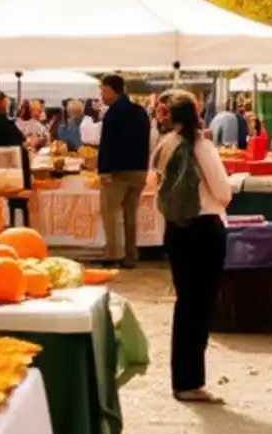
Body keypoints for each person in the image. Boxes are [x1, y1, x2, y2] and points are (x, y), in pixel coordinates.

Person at [152, 89, 232, 404]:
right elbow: (223, 193)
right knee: (200, 307)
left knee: (185, 304)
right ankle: (191, 381)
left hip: (176, 232)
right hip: (204, 231)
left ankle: (183, 378)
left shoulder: (165, 146)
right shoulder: (202, 146)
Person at [97, 74, 152, 269]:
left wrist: (104, 170)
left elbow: (108, 145)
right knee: (131, 215)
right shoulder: (140, 111)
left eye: (103, 90)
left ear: (112, 89)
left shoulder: (113, 114)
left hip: (117, 172)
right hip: (139, 170)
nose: (101, 95)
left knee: (110, 214)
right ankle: (130, 255)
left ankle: (112, 253)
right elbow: (147, 142)